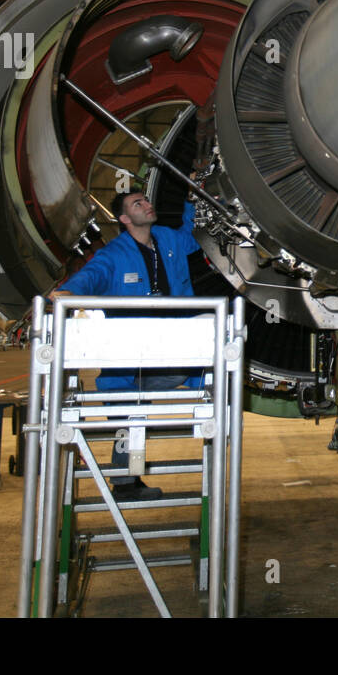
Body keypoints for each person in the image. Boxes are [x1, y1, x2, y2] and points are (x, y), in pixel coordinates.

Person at [51, 189, 205, 499]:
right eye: (138, 203)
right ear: (124, 219)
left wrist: (190, 193)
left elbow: (193, 234)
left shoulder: (168, 239)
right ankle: (124, 483)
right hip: (129, 354)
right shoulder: (114, 254)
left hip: (169, 346)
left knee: (136, 409)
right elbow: (93, 275)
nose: (148, 205)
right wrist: (68, 293)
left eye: (147, 200)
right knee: (128, 416)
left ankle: (125, 481)